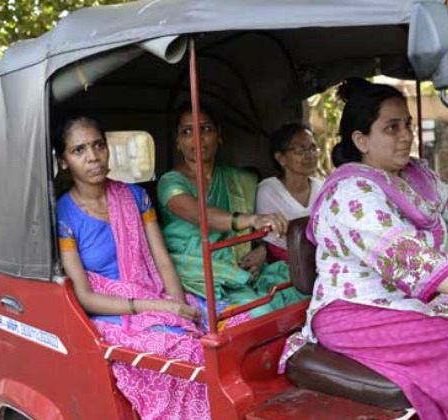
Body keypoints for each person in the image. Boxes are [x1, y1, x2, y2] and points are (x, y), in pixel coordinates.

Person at [278, 79, 448, 420]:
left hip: (408, 302)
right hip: (355, 313)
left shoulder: (416, 177)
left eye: (408, 125)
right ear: (361, 140)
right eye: (391, 128)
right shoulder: (350, 193)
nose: (406, 136)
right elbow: (410, 260)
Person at [55, 116, 247, 420]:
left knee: (238, 324)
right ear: (63, 161)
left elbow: (161, 260)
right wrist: (155, 307)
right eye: (78, 151)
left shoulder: (135, 196)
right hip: (114, 316)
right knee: (192, 353)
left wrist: (178, 305)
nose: (92, 157)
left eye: (98, 145)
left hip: (157, 294)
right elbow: (85, 297)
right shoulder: (65, 214)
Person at [157, 104, 306, 317]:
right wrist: (253, 219)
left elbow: (255, 238)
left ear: (219, 135)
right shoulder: (170, 183)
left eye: (206, 129)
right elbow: (202, 215)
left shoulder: (239, 179)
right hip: (199, 270)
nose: (197, 138)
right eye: (187, 132)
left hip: (242, 266)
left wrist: (261, 252)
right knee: (262, 313)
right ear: (178, 142)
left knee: (301, 291)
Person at [256, 123, 324, 262]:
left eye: (313, 148)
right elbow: (274, 244)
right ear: (281, 158)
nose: (310, 155)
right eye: (300, 150)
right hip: (286, 268)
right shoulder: (268, 190)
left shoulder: (322, 188)